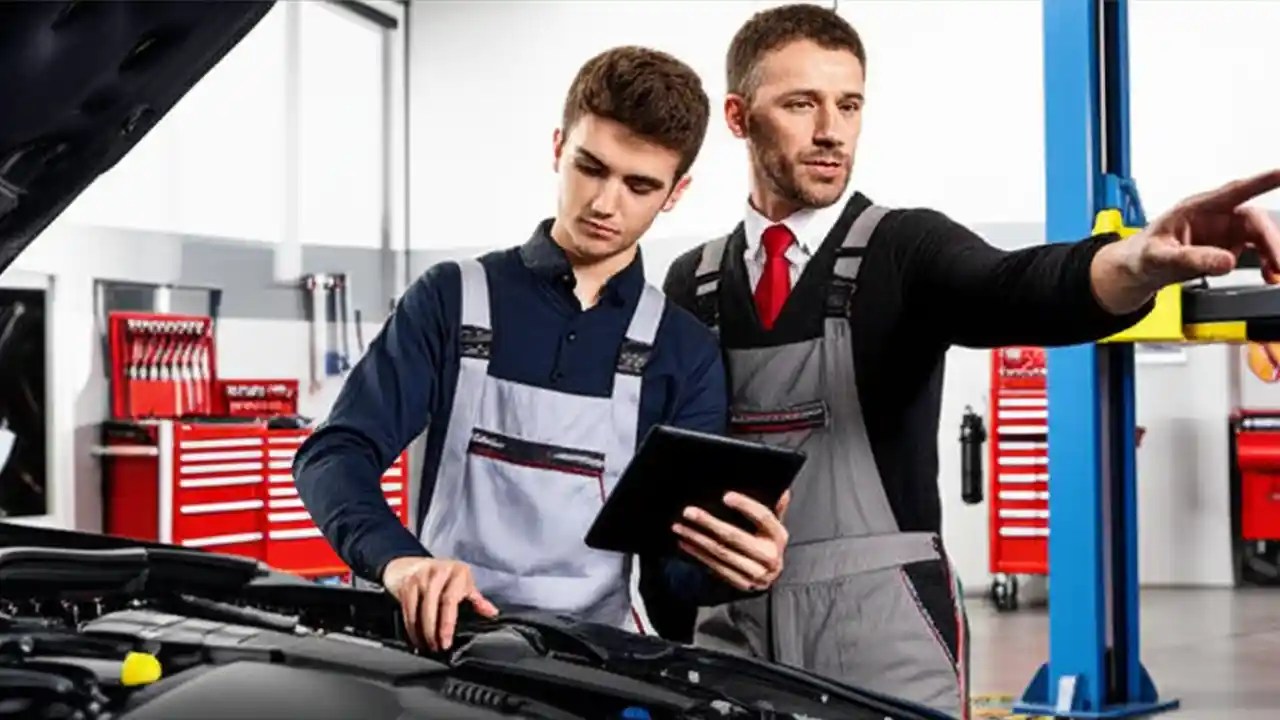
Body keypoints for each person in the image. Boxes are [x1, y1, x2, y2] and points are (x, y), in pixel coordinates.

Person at [660, 4, 1280, 718]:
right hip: (732, 640)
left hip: (883, 639)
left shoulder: (904, 251)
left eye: (850, 104)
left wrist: (1136, 261)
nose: (831, 130)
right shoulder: (693, 283)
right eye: (801, 104)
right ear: (738, 117)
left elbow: (1016, 287)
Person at [293, 45, 792, 654]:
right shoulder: (451, 300)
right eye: (591, 167)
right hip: (442, 651)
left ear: (675, 192)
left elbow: (671, 570)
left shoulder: (681, 351)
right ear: (559, 148)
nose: (606, 203)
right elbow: (334, 454)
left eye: (639, 185)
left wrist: (732, 566)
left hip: (591, 669)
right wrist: (400, 563)